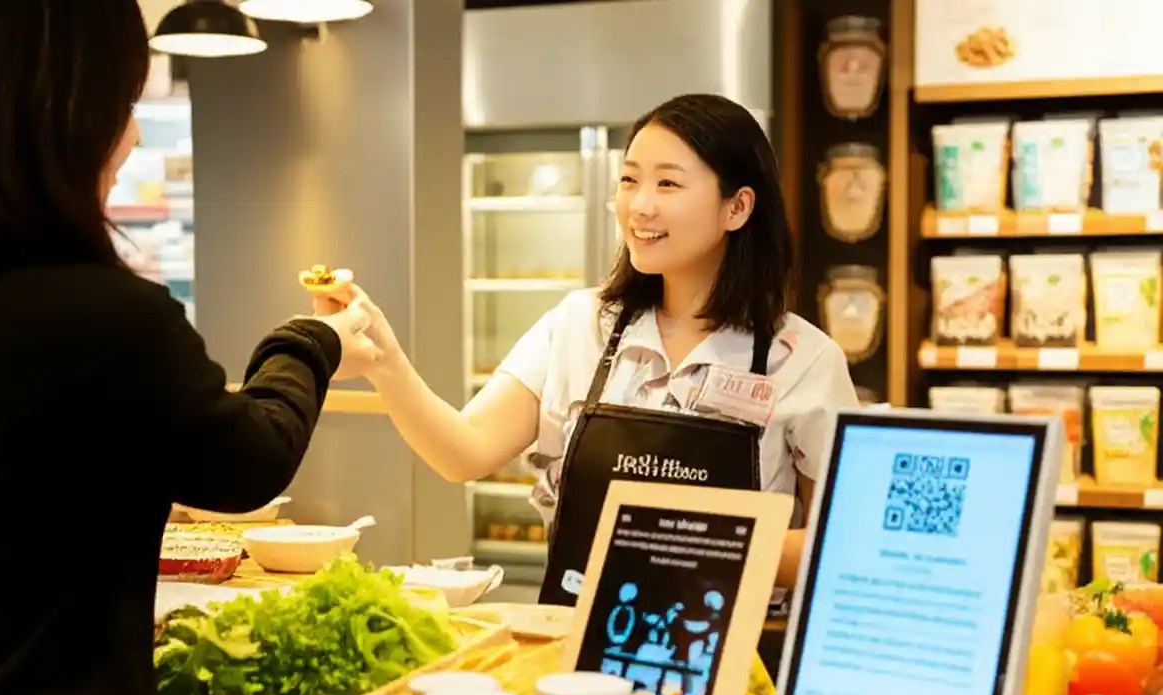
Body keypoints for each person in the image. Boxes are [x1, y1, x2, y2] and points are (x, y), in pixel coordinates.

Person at [0, 1, 376, 695]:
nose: (132, 135)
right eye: (119, 102)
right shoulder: (102, 320)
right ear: (55, 116)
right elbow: (250, 457)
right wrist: (312, 341)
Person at [322, 94, 859, 600]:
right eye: (629, 180)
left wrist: (681, 543)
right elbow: (462, 452)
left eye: (668, 185)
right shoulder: (580, 324)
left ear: (737, 207)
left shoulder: (804, 359)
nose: (640, 206)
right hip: (565, 647)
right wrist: (385, 362)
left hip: (712, 664)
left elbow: (839, 545)